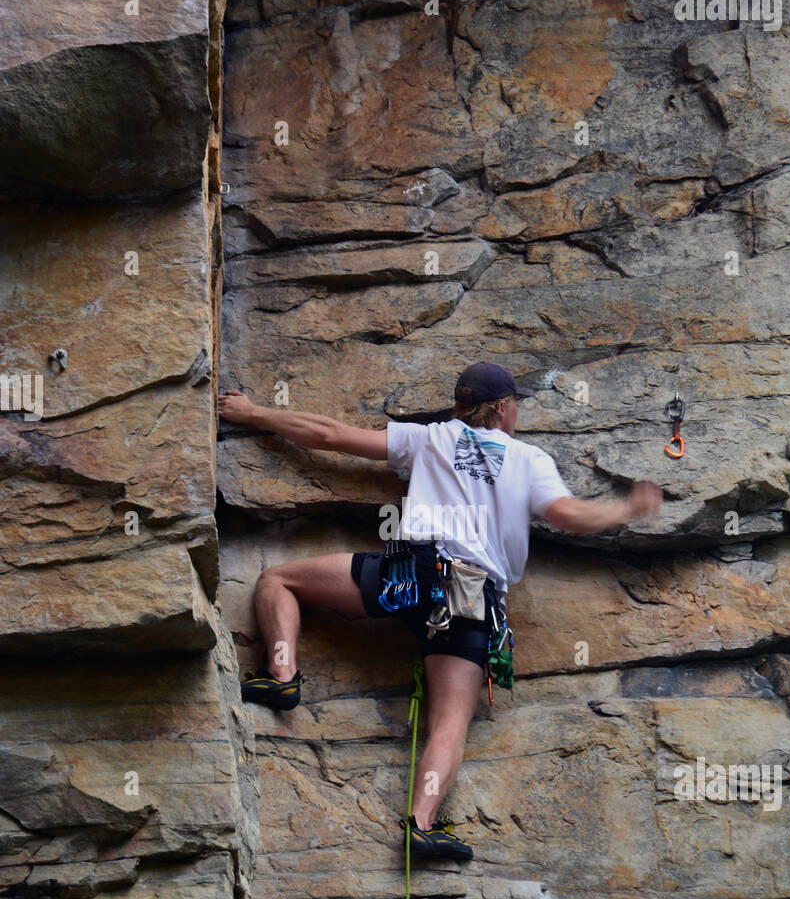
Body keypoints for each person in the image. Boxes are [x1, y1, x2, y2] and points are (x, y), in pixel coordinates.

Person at [218, 361, 663, 862]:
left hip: (413, 577)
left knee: (278, 580)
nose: (516, 413)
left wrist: (253, 413)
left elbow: (330, 435)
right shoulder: (528, 459)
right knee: (449, 725)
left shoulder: (427, 439)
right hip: (472, 600)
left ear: (461, 403)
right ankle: (421, 826)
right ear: (501, 407)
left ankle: (281, 673)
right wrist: (625, 510)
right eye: (514, 405)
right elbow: (567, 514)